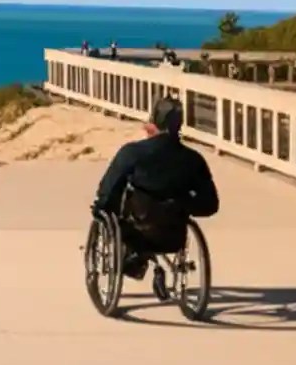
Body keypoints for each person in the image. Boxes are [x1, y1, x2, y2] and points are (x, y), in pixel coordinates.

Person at [89, 97, 220, 288]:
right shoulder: (193, 159)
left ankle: (133, 260)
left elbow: (107, 189)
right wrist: (182, 205)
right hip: (174, 234)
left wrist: (101, 209)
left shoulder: (132, 153)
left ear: (153, 122)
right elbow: (210, 204)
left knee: (120, 195)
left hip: (136, 232)